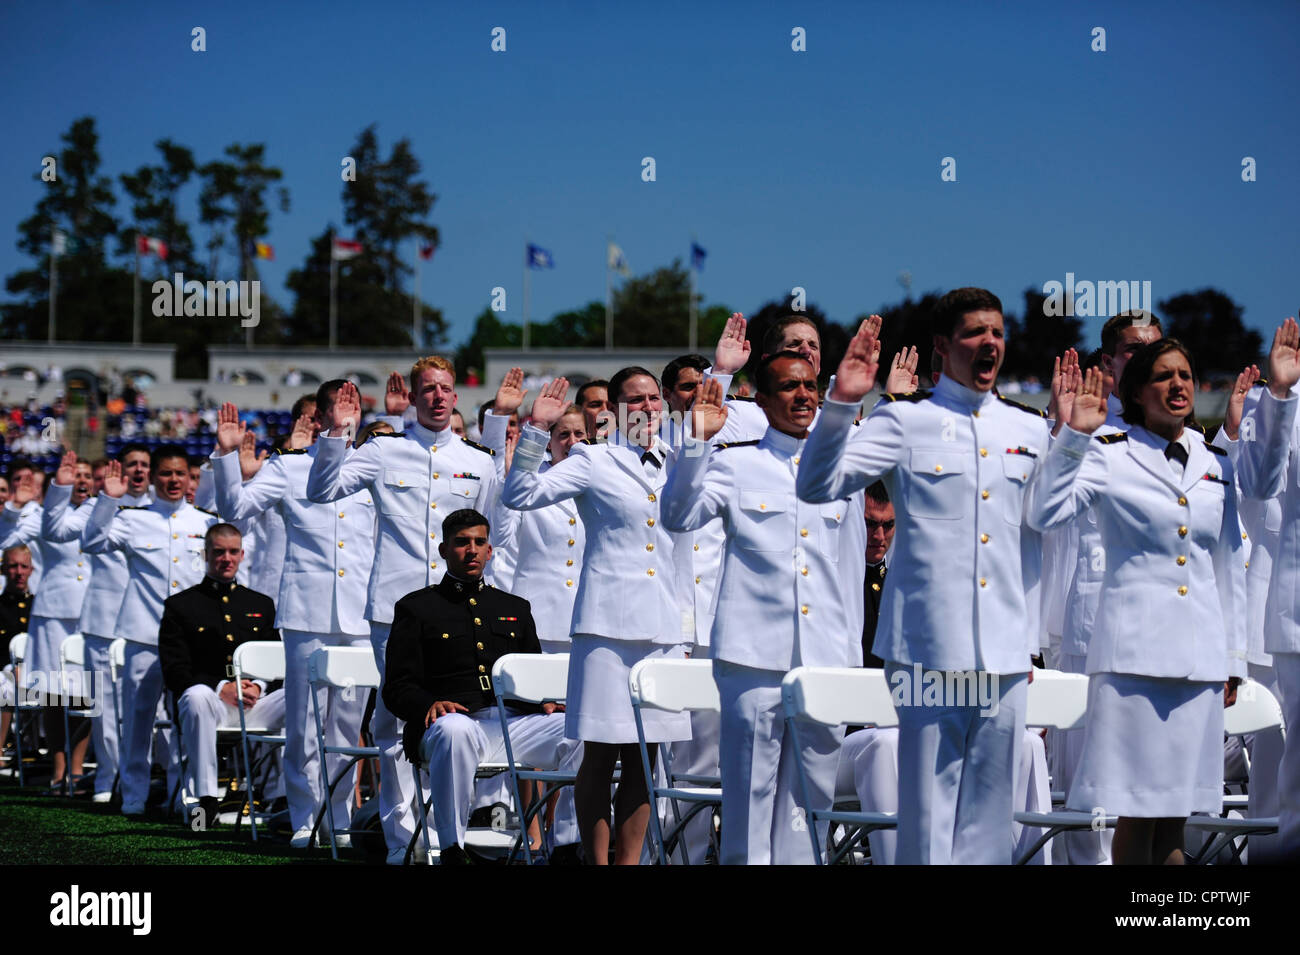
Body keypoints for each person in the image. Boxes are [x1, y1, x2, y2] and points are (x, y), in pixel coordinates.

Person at [797, 288, 1050, 864]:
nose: (990, 343)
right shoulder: (904, 421)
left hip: (1003, 655)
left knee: (990, 825)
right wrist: (841, 402)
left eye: (997, 332)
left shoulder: (1028, 429)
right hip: (927, 653)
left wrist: (1077, 442)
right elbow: (814, 485)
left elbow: (1048, 525)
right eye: (974, 332)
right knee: (928, 821)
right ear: (943, 345)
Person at [1028, 340, 1247, 864]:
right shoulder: (1109, 451)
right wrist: (1074, 436)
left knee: (1176, 814)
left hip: (1199, 664)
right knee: (1138, 811)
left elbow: (1227, 567)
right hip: (1134, 663)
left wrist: (1233, 661)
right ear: (1137, 392)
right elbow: (1044, 512)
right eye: (1164, 376)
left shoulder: (1214, 462)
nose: (1178, 385)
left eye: (1185, 375)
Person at [663, 356, 863, 863]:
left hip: (824, 657)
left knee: (811, 803)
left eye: (810, 386)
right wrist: (697, 442)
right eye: (790, 387)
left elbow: (848, 569)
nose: (803, 395)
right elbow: (678, 515)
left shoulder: (839, 468)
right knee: (749, 796)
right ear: (764, 400)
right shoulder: (734, 463)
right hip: (752, 658)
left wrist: (850, 659)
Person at [307, 356, 500, 863]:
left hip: (457, 609)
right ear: (412, 398)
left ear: (455, 397)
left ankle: (446, 835)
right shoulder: (383, 451)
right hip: (395, 608)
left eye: (445, 388)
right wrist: (337, 434)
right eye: (428, 389)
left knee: (454, 716)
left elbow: (489, 533)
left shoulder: (478, 461)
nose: (437, 397)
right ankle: (402, 838)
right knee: (395, 721)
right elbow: (321, 490)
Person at [503, 367, 691, 865]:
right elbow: (519, 496)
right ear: (614, 410)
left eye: (654, 398)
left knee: (645, 758)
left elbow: (684, 550)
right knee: (601, 754)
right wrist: (536, 431)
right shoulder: (593, 459)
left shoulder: (679, 460)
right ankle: (595, 859)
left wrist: (686, 632)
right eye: (635, 399)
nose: (648, 407)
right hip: (606, 626)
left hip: (662, 629)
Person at [211, 384, 376, 849]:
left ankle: (338, 818)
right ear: (319, 418)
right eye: (339, 408)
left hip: (358, 616)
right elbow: (234, 510)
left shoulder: (372, 464)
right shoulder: (289, 467)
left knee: (347, 727)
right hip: (307, 612)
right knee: (305, 723)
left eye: (355, 408)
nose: (348, 416)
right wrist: (227, 457)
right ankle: (305, 816)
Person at [383, 509, 581, 864]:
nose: (471, 550)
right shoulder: (417, 608)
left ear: (490, 551)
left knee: (580, 731)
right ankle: (452, 847)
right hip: (450, 726)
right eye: (461, 542)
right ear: (444, 550)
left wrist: (544, 702)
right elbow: (397, 685)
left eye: (479, 542)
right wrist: (427, 704)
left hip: (512, 724)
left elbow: (531, 674)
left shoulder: (514, 607)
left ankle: (566, 843)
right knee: (455, 730)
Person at [82, 445, 220, 817]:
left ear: (190, 478)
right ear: (154, 478)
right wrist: (108, 501)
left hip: (190, 639)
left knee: (186, 717)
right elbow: (92, 542)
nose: (173, 480)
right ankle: (134, 794)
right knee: (138, 717)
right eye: (166, 474)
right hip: (144, 632)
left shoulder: (205, 522)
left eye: (180, 474)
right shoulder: (132, 518)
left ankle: (183, 794)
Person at [159, 523, 285, 830]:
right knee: (195, 696)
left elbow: (278, 661)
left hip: (255, 702)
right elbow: (175, 670)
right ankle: (205, 804)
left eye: (232, 552)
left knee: (301, 697)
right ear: (206, 554)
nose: (226, 559)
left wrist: (259, 685)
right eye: (218, 552)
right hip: (211, 704)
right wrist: (219, 687)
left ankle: (283, 799)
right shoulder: (181, 605)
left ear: (242, 555)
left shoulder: (260, 604)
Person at [45, 445, 152, 802]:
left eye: (145, 464)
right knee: (104, 709)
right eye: (132, 464)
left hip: (146, 621)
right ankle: (108, 780)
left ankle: (146, 780)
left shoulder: (160, 508)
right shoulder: (96, 505)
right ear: (118, 469)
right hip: (104, 619)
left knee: (148, 709)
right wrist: (60, 489)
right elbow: (55, 531)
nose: (138, 470)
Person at [1235, 316, 1300, 858]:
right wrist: (1278, 394)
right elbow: (1258, 484)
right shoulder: (1279, 400)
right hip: (1297, 621)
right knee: (1291, 787)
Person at [492, 402, 587, 649]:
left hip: (585, 617)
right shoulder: (531, 482)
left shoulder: (597, 481)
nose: (572, 442)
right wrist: (508, 483)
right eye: (563, 435)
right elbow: (500, 537)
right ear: (548, 442)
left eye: (579, 433)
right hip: (537, 614)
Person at [30, 452, 96, 791]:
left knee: (85, 692)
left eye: (87, 475)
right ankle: (58, 768)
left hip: (90, 611)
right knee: (54, 693)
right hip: (54, 611)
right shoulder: (48, 513)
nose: (81, 481)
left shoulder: (104, 511)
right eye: (76, 475)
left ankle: (78, 767)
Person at [0, 545, 35, 761]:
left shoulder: (38, 607)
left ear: (32, 570)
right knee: (5, 682)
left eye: (24, 566)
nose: (19, 572)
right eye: (13, 566)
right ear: (3, 570)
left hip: (37, 673)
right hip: (6, 674)